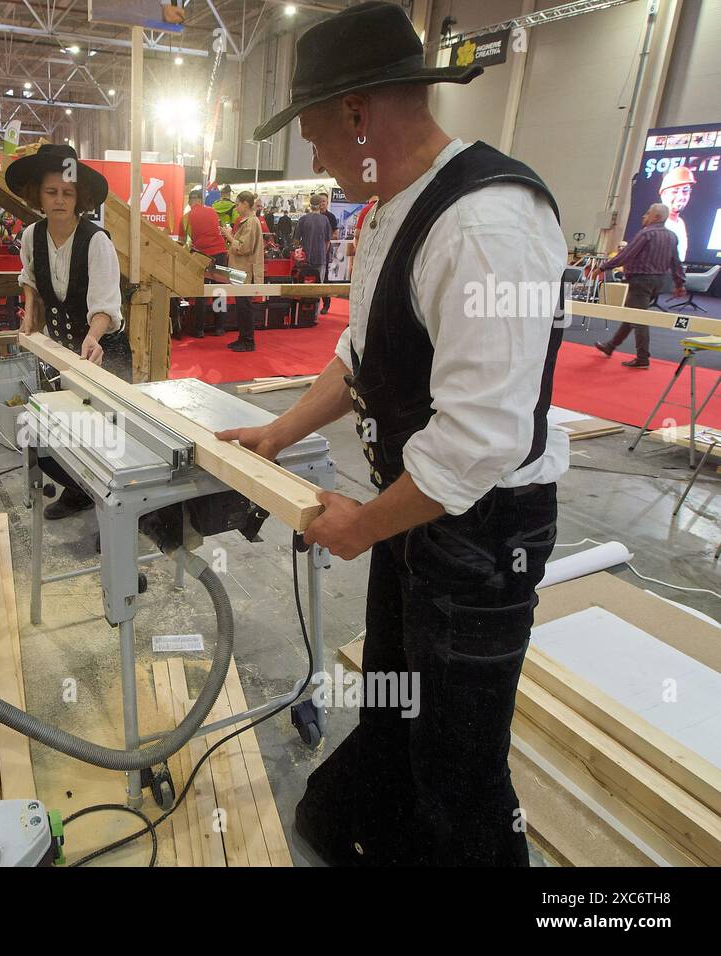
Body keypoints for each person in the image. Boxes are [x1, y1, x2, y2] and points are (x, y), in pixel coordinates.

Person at [221, 0, 568, 866]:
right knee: (391, 693)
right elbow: (361, 357)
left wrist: (362, 525)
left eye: (313, 135)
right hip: (418, 511)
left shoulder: (488, 225)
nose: (314, 156)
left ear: (356, 112)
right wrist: (279, 430)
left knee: (460, 765)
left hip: (486, 531)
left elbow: (482, 439)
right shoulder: (388, 210)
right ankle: (383, 831)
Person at [6, 143, 123, 519]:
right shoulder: (30, 236)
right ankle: (79, 492)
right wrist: (29, 313)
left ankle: (117, 514)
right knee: (62, 429)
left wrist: (93, 336)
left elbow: (105, 305)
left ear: (79, 197)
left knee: (106, 435)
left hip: (100, 348)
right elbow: (30, 279)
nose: (60, 200)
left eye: (68, 193)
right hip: (59, 350)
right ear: (38, 195)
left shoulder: (96, 241)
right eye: (52, 192)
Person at [592, 203, 686, 368]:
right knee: (632, 315)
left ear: (656, 217)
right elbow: (676, 262)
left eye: (647, 213)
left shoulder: (646, 234)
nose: (644, 216)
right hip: (658, 282)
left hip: (641, 281)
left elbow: (626, 254)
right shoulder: (672, 236)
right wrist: (680, 283)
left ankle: (643, 357)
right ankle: (610, 346)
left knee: (639, 319)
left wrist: (602, 267)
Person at [221, 190, 264, 352]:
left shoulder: (252, 222)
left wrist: (229, 236)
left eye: (238, 204)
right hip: (241, 271)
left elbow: (244, 247)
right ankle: (243, 338)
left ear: (245, 204)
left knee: (245, 307)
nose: (236, 208)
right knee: (242, 307)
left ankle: (248, 341)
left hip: (245, 272)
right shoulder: (248, 222)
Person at [183, 187, 229, 337]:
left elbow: (182, 242)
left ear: (190, 202)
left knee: (201, 292)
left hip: (202, 256)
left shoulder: (187, 216)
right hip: (220, 253)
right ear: (201, 201)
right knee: (219, 291)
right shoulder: (212, 211)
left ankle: (199, 329)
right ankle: (219, 327)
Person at [296, 195, 334, 313]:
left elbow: (297, 240)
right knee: (319, 286)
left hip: (305, 258)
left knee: (304, 284)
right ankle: (314, 313)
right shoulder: (325, 220)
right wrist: (323, 251)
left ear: (310, 205)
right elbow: (328, 241)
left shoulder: (303, 219)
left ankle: (303, 311)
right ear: (320, 205)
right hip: (320, 257)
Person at [657, 166, 694, 262]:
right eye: (675, 191)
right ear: (663, 194)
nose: (681, 196)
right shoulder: (657, 224)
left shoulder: (680, 223)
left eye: (685, 191)